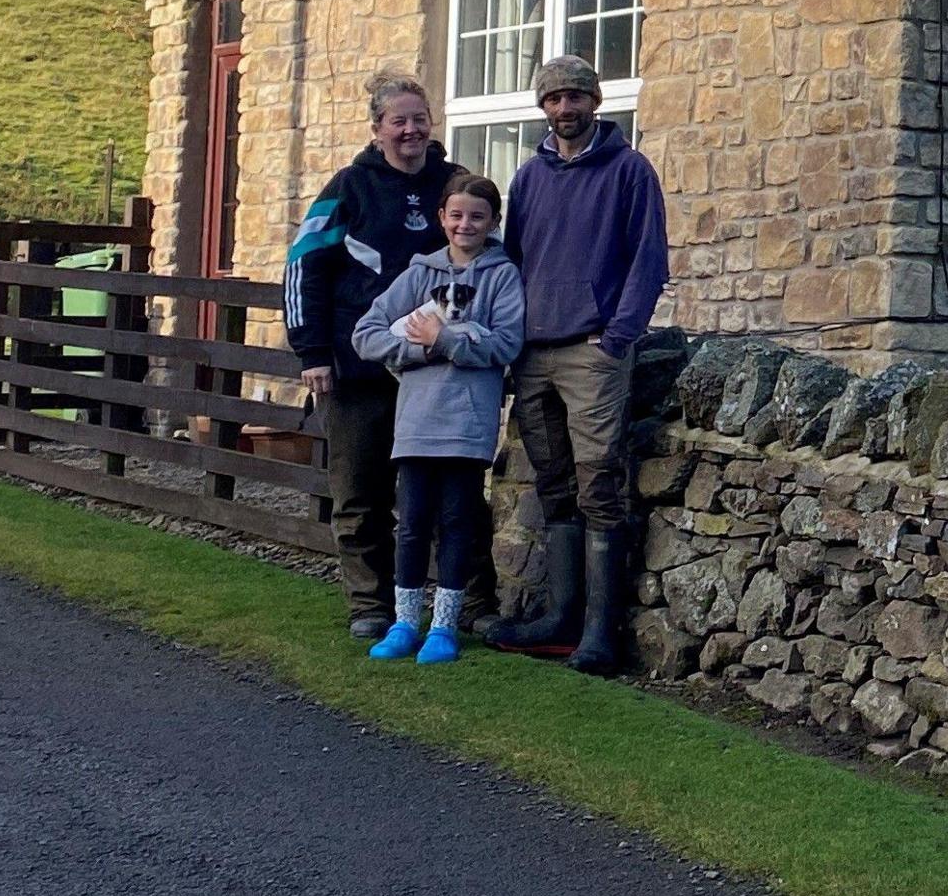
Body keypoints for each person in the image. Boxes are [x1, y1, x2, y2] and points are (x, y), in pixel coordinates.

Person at [489, 55, 668, 673]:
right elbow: (511, 265)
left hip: (593, 350)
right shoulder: (528, 179)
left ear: (597, 101)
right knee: (554, 482)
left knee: (599, 483)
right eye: (554, 99)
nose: (565, 108)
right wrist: (510, 338)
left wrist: (618, 337)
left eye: (576, 96)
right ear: (543, 107)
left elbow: (649, 261)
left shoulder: (630, 171)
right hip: (533, 353)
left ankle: (601, 632)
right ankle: (561, 619)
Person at [286, 71, 459, 640]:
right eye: (398, 121)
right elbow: (303, 267)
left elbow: (486, 262)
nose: (410, 130)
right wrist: (311, 350)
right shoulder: (347, 188)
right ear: (377, 128)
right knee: (359, 494)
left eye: (419, 119)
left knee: (442, 494)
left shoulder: (454, 184)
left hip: (435, 370)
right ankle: (370, 606)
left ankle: (462, 604)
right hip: (356, 367)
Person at [350, 172, 526, 664]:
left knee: (457, 523)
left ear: (493, 221)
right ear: (441, 219)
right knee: (412, 524)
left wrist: (446, 339)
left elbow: (508, 343)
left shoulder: (502, 276)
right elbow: (366, 334)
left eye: (477, 216)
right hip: (417, 420)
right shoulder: (419, 275)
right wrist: (420, 348)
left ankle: (444, 627)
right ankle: (406, 621)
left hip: (467, 423)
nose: (465, 224)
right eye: (456, 215)